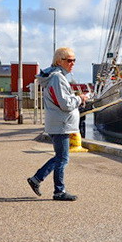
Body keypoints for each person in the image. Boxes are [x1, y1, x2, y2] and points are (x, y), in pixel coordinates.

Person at [27, 47, 88, 201]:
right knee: (62, 158)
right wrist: (80, 99)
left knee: (61, 157)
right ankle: (57, 190)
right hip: (61, 124)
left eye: (74, 60)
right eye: (69, 60)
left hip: (60, 123)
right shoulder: (57, 78)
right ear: (59, 61)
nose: (73, 63)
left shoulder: (56, 77)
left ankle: (38, 180)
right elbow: (65, 104)